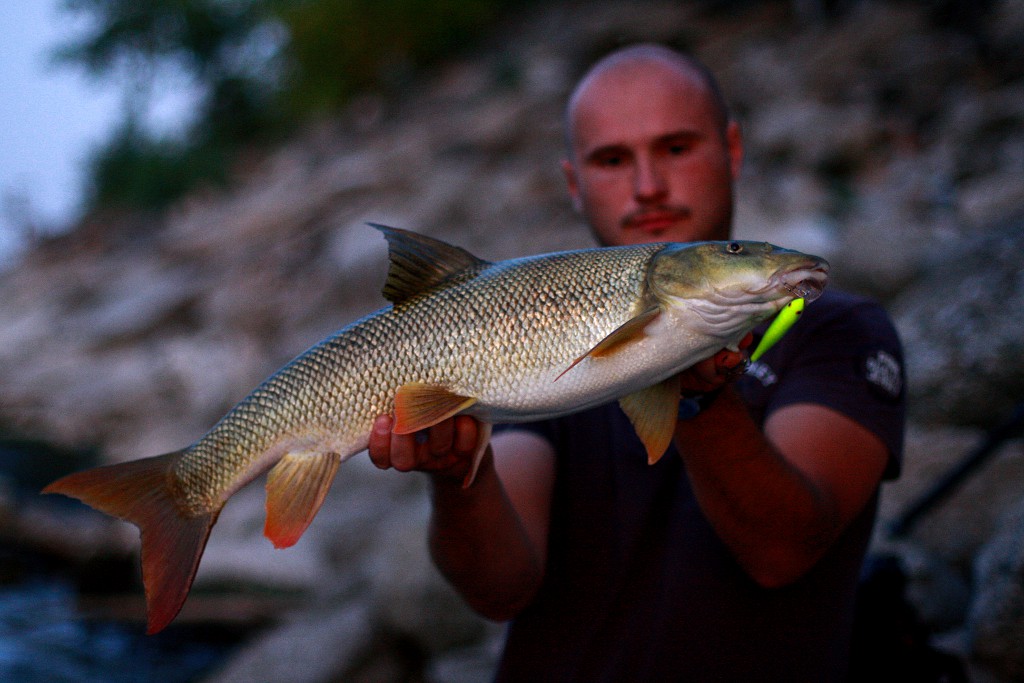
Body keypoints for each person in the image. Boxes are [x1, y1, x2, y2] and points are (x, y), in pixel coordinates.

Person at [368, 44, 905, 682]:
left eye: (676, 148)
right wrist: (458, 474)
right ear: (574, 184)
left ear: (731, 151)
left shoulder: (839, 330)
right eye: (613, 159)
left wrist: (699, 396)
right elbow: (498, 592)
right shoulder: (536, 338)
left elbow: (783, 552)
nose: (648, 187)